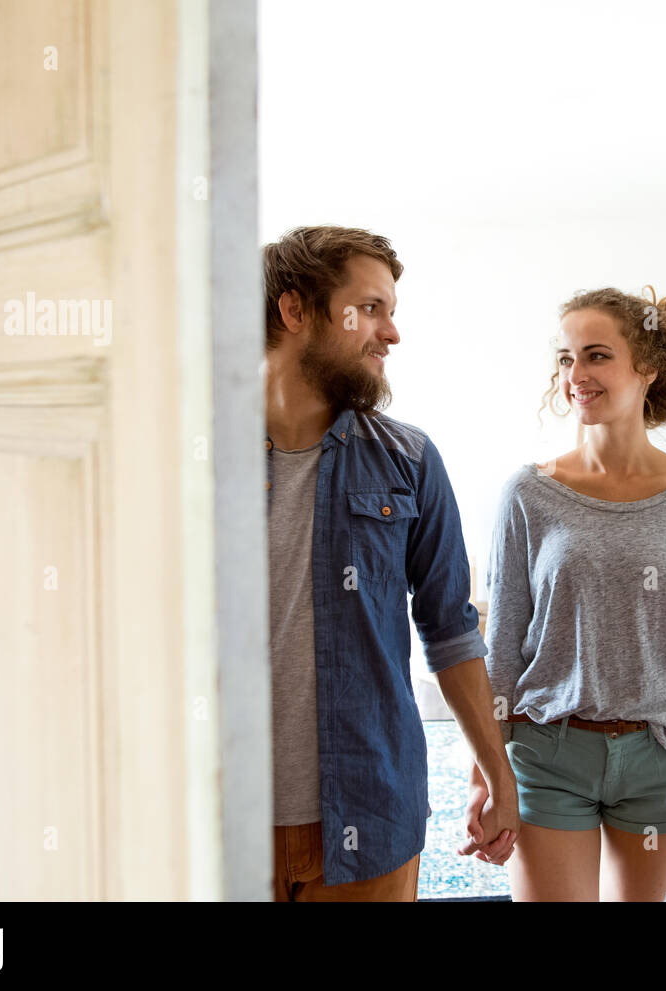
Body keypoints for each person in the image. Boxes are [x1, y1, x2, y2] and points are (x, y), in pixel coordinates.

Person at [264, 225, 519, 901]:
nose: (392, 333)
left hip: (369, 818)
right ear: (296, 311)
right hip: (219, 817)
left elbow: (452, 631)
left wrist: (498, 771)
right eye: (371, 308)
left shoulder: (410, 460)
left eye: (392, 312)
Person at [466, 286, 666, 901]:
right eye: (566, 359)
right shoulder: (530, 493)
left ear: (647, 367)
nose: (575, 376)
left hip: (661, 757)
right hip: (550, 750)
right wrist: (487, 772)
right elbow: (503, 641)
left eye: (595, 355)